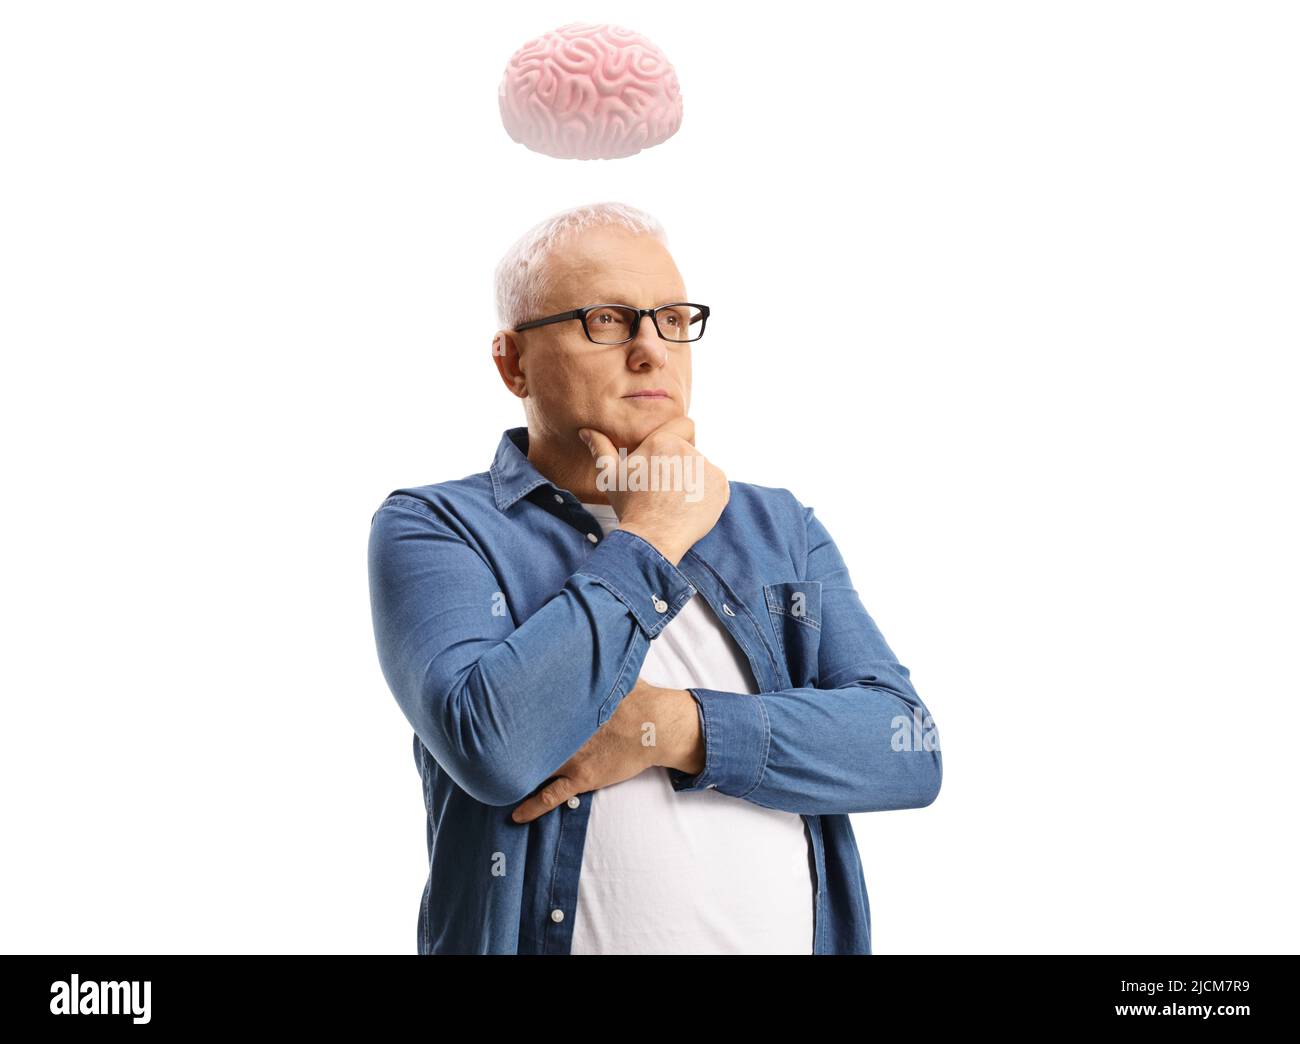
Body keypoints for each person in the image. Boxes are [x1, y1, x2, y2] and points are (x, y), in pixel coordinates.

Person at [366, 201, 942, 955]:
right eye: (606, 320)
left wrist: (673, 729)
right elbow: (494, 745)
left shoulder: (779, 527)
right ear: (512, 363)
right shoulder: (436, 527)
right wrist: (655, 529)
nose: (652, 351)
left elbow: (906, 751)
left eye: (672, 319)